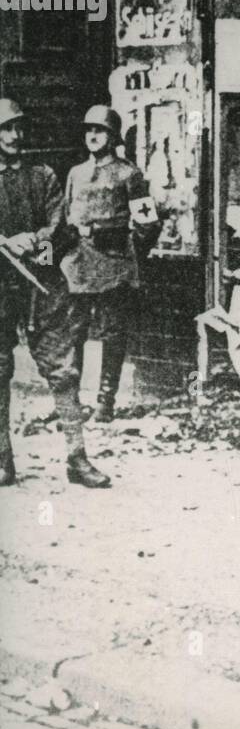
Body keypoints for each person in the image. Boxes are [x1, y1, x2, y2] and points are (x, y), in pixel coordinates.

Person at [0, 99, 109, 488]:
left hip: (42, 286)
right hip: (0, 287)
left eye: (19, 127)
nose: (16, 136)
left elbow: (59, 228)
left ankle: (77, 459)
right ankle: (3, 460)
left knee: (63, 371)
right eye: (7, 128)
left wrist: (31, 243)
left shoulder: (42, 175)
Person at [61, 106, 161, 425]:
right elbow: (65, 219)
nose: (92, 135)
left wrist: (127, 254)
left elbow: (148, 224)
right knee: (72, 333)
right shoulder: (75, 173)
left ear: (113, 136)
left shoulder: (129, 174)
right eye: (89, 130)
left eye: (100, 130)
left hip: (113, 267)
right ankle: (70, 402)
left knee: (111, 334)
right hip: (77, 266)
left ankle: (105, 402)